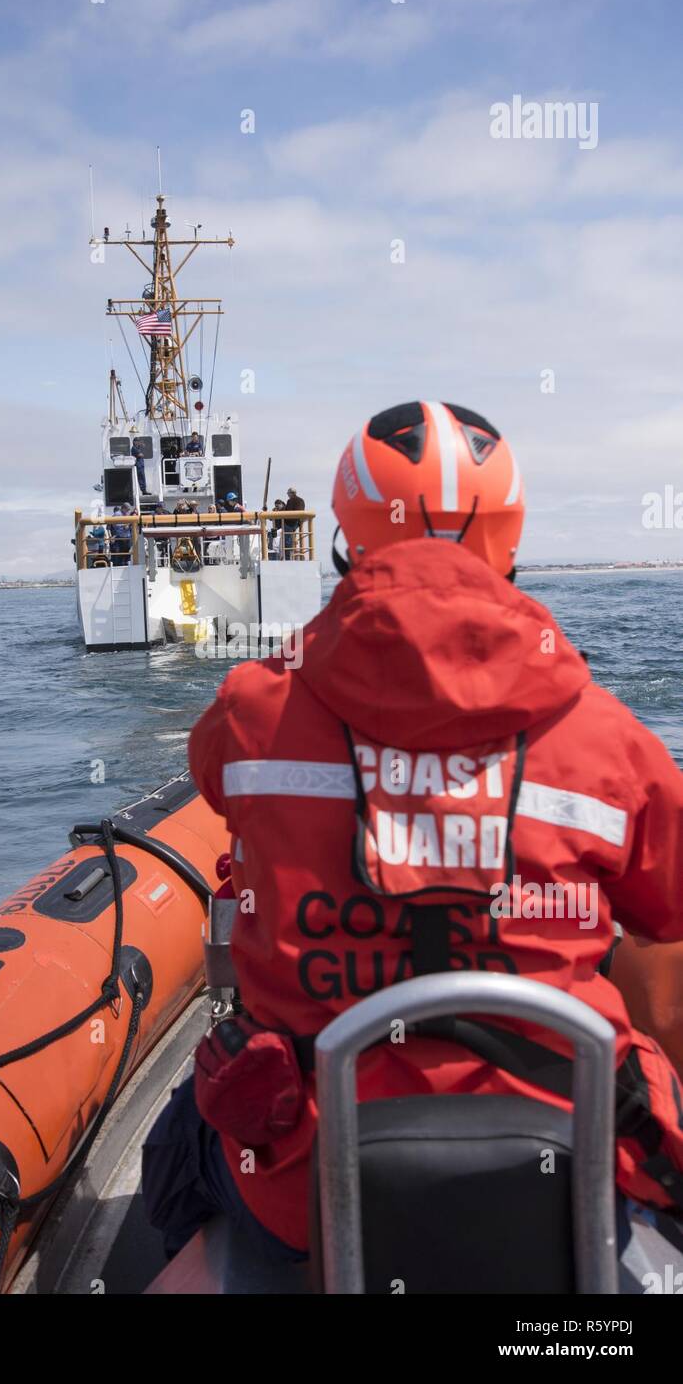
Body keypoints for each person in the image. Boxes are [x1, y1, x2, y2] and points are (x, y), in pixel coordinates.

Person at [142, 398, 683, 1271]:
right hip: (564, 1172)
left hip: (306, 1182)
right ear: (509, 540)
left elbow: (216, 782)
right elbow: (665, 915)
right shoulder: (607, 738)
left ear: (348, 537)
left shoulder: (249, 713)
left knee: (176, 1153)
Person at [283, 486, 305, 559]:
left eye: (288, 493)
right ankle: (296, 556)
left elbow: (288, 511)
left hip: (290, 523)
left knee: (287, 540)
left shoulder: (290, 500)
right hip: (298, 523)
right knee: (293, 540)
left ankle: (288, 557)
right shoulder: (301, 500)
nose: (288, 495)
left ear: (291, 493)